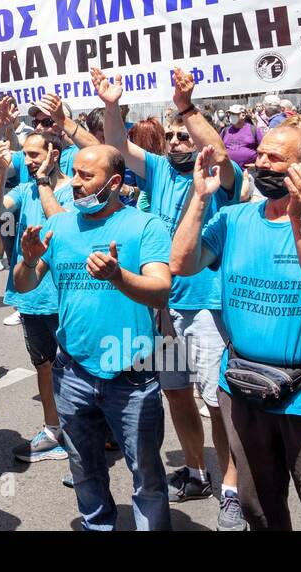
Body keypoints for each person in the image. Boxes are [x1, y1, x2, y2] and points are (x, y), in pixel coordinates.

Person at [170, 124, 301, 531]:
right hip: (244, 392)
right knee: (258, 509)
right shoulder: (233, 219)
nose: (261, 163)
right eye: (261, 155)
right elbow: (181, 265)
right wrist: (200, 200)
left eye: (275, 158)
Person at [95, 67, 246, 530]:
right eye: (173, 137)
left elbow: (217, 150)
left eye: (186, 136)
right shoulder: (158, 170)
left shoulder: (221, 176)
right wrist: (111, 104)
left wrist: (185, 105)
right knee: (176, 393)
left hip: (207, 308)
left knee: (218, 402)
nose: (179, 142)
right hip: (162, 308)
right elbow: (118, 145)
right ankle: (198, 473)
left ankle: (232, 491)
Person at [13, 144, 174, 531]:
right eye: (74, 175)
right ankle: (97, 525)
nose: (75, 185)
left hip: (132, 378)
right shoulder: (61, 226)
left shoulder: (144, 226)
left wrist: (119, 276)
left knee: (147, 478)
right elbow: (25, 284)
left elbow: (160, 289)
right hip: (73, 374)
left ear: (115, 182)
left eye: (87, 177)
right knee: (84, 469)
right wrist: (28, 260)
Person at [0, 123, 77, 468]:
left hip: (67, 297)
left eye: (34, 154)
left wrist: (43, 183)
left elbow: (66, 229)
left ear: (54, 156)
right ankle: (53, 430)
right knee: (44, 365)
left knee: (76, 369)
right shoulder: (23, 189)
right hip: (32, 297)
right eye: (24, 154)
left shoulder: (72, 189)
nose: (27, 160)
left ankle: (83, 435)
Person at [219, 105, 261, 170]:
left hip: (248, 172)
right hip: (228, 171)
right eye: (230, 114)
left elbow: (264, 149)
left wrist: (257, 164)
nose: (231, 116)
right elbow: (218, 147)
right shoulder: (225, 130)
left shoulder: (253, 130)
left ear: (243, 115)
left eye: (234, 114)